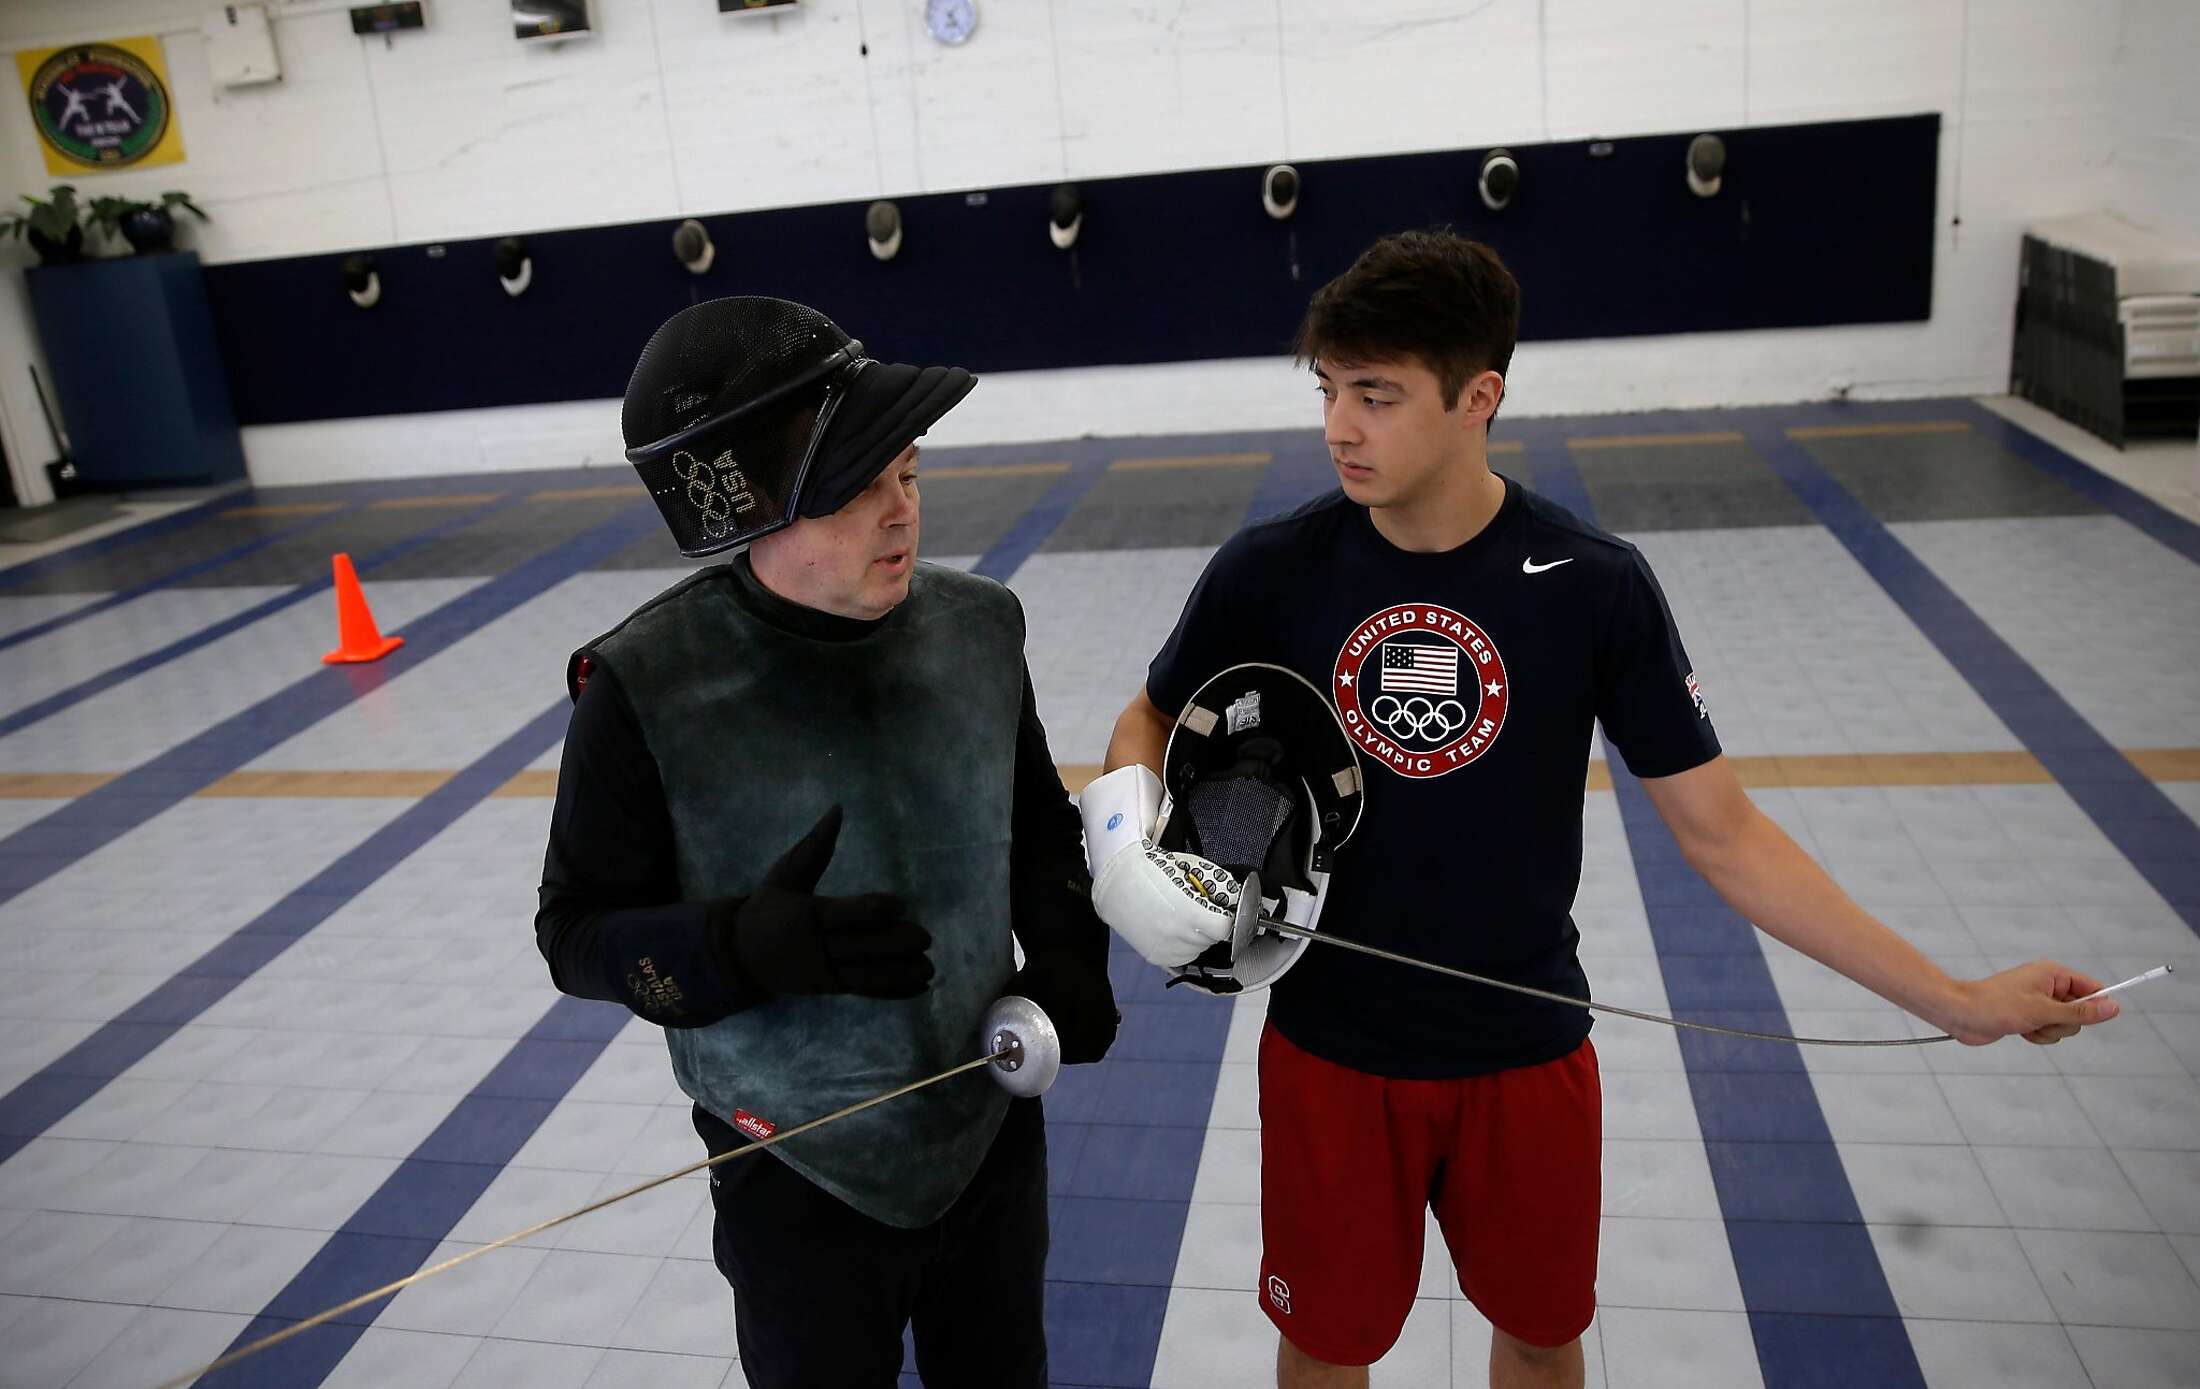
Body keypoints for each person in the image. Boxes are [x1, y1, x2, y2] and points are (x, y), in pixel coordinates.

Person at [1089, 230, 2124, 1389]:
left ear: (1478, 396)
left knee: (1539, 1336)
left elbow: (1725, 837)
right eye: (1329, 390)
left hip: (1524, 1052)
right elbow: (1148, 718)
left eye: (1376, 396)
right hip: (1331, 1055)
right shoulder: (1271, 570)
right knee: (1328, 1347)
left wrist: (1956, 1001)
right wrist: (1130, 844)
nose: (1338, 426)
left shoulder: (1592, 584)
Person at [534, 295, 1117, 1389]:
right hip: (792, 1167)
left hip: (986, 1133)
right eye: (857, 489)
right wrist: (738, 948)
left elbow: (1034, 825)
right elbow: (573, 933)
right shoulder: (647, 686)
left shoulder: (980, 628)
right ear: (754, 512)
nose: (901, 514)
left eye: (909, 473)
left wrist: (1069, 949)